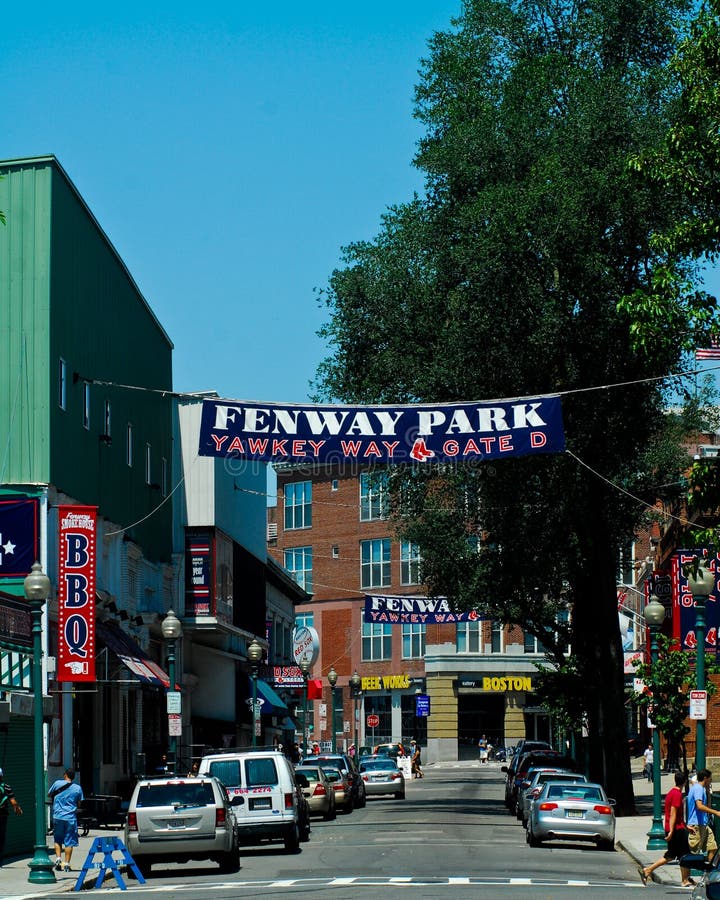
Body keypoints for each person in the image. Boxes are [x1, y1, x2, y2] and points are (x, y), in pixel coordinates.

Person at [639, 772, 694, 887]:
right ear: (685, 782)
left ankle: (648, 870)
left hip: (677, 827)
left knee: (673, 855)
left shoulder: (671, 793)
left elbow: (677, 815)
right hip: (676, 830)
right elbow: (673, 813)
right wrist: (672, 831)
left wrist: (685, 825)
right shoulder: (677, 794)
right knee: (682, 855)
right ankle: (685, 880)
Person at [48, 768, 84, 872]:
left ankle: (58, 859)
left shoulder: (57, 783)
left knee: (58, 839)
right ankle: (67, 863)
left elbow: (49, 794)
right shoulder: (78, 788)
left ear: (65, 775)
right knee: (69, 841)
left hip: (58, 816)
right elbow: (79, 803)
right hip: (70, 818)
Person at [687, 768, 720, 861]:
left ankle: (709, 870)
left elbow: (707, 806)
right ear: (705, 778)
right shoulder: (698, 789)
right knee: (694, 851)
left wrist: (708, 793)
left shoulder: (700, 789)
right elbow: (699, 806)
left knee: (712, 846)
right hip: (697, 824)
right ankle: (687, 873)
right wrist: (716, 812)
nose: (711, 781)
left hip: (703, 823)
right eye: (710, 779)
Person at [0, 768, 23, 867]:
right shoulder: (6, 787)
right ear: (2, 776)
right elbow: (13, 802)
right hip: (2, 815)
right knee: (1, 836)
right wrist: (18, 809)